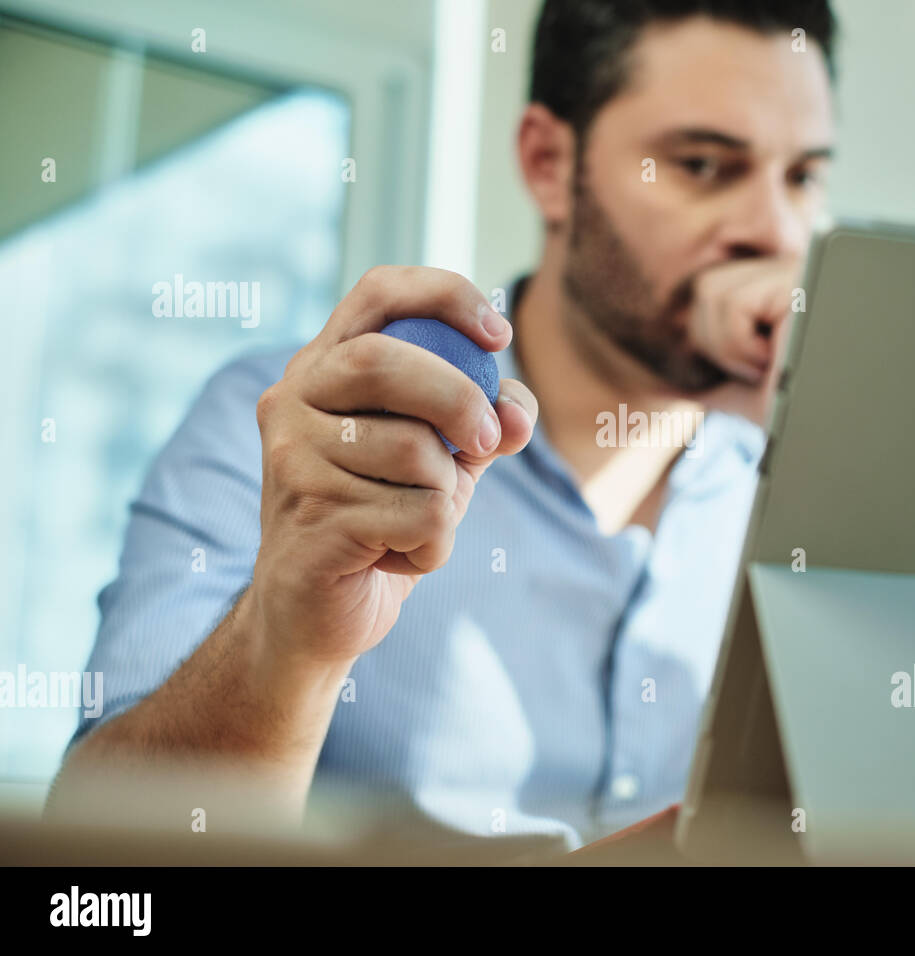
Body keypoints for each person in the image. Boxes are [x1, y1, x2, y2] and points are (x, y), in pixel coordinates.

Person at [48, 0, 837, 853]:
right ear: (546, 161)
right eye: (703, 165)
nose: (777, 230)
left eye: (801, 177)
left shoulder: (820, 484)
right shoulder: (306, 433)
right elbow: (95, 873)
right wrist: (289, 640)